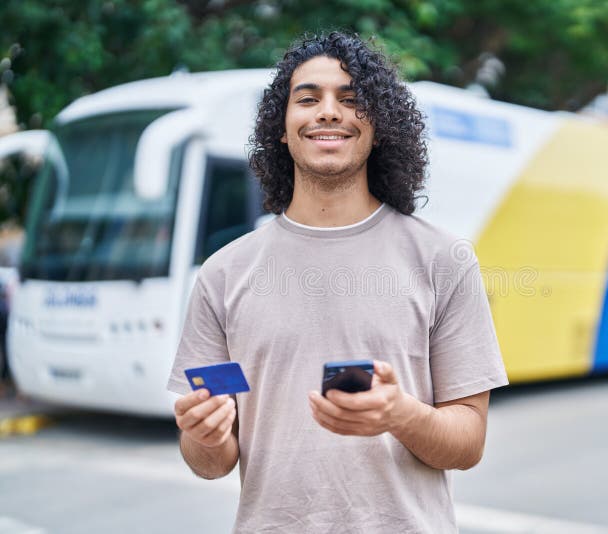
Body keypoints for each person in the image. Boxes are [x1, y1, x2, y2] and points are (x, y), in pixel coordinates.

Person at [168, 31, 508, 533]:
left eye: (351, 101)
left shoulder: (444, 260)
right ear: (282, 128)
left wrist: (400, 415)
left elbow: (468, 443)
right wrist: (206, 435)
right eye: (308, 99)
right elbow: (210, 461)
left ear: (378, 127)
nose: (328, 112)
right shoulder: (223, 274)